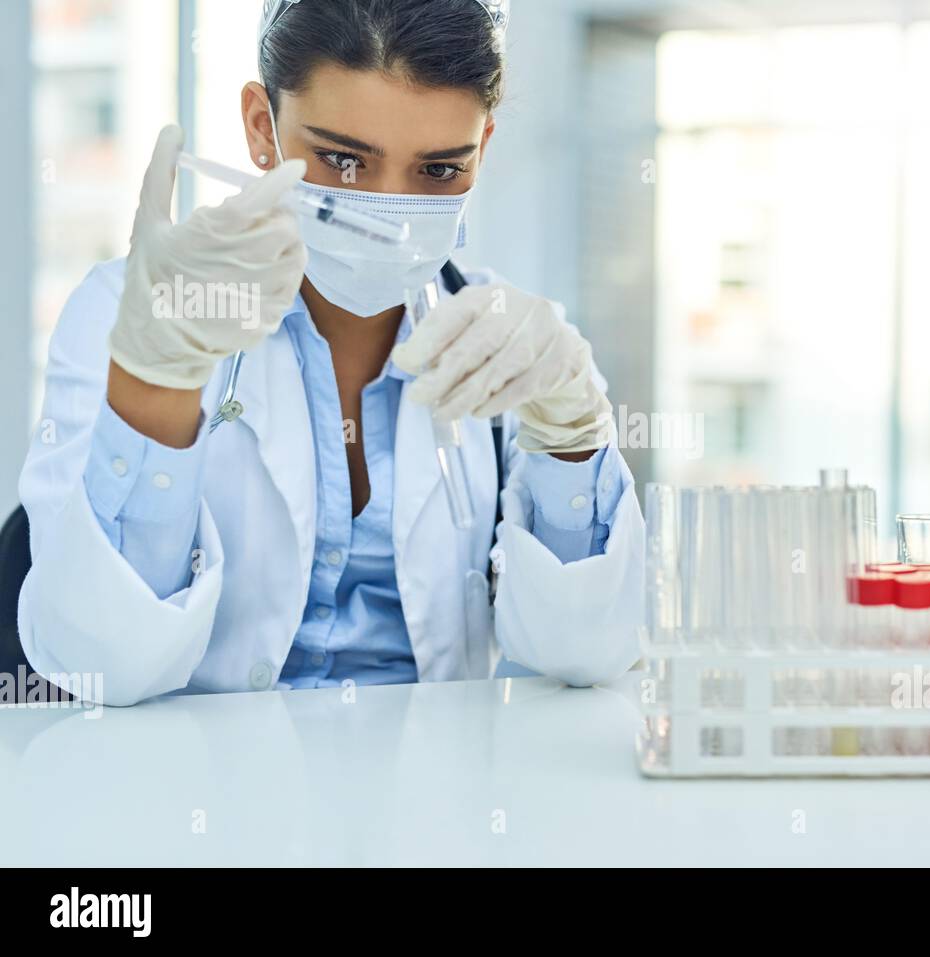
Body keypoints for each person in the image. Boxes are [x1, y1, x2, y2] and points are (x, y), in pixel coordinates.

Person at [17, 0, 644, 706]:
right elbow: (104, 660)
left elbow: (589, 656)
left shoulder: (515, 346)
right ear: (263, 127)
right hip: (194, 799)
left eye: (439, 172)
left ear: (482, 149)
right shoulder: (125, 315)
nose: (386, 207)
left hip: (439, 799)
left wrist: (572, 434)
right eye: (344, 160)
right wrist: (156, 379)